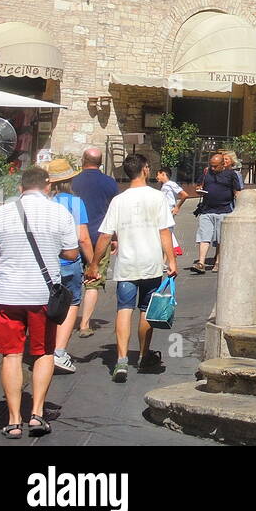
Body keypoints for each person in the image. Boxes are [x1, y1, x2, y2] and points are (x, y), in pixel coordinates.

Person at [0, 166, 78, 438]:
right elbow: (71, 253)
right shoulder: (60, 213)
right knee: (43, 352)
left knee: (11, 354)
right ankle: (36, 414)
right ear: (48, 187)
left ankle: (12, 420)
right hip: (42, 295)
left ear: (21, 188)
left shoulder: (0, 214)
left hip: (7, 295)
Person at [84, 153, 177, 383]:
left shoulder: (119, 200)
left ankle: (122, 360)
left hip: (126, 265)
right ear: (145, 169)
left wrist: (94, 264)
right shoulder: (157, 198)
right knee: (146, 309)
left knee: (124, 309)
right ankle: (144, 355)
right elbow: (164, 231)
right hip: (152, 264)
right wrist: (171, 260)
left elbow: (105, 236)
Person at [47, 160, 93, 374]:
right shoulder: (75, 203)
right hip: (70, 260)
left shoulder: (46, 203)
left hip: (48, 262)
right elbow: (83, 237)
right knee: (72, 301)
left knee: (47, 304)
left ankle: (44, 347)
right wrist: (93, 263)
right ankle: (59, 351)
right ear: (70, 180)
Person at [70, 146, 120, 339]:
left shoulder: (73, 181)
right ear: (100, 162)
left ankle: (65, 317)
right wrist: (114, 238)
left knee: (70, 279)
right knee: (93, 279)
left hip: (73, 237)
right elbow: (113, 212)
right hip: (100, 237)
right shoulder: (109, 183)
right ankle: (85, 324)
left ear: (83, 160)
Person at [189, 152, 243, 274]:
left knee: (220, 238)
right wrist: (199, 191)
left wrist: (239, 208)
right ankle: (201, 263)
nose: (213, 168)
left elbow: (237, 192)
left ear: (222, 164)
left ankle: (218, 262)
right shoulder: (206, 172)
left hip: (224, 210)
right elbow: (198, 186)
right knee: (204, 236)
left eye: (215, 166)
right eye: (211, 165)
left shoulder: (231, 175)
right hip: (206, 210)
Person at [157, 167, 185, 257]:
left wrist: (177, 207)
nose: (157, 177)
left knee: (166, 234)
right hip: (164, 212)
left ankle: (175, 249)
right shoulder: (165, 186)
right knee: (165, 234)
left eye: (158, 174)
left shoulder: (170, 184)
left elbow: (184, 195)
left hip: (169, 212)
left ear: (163, 174)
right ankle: (165, 260)